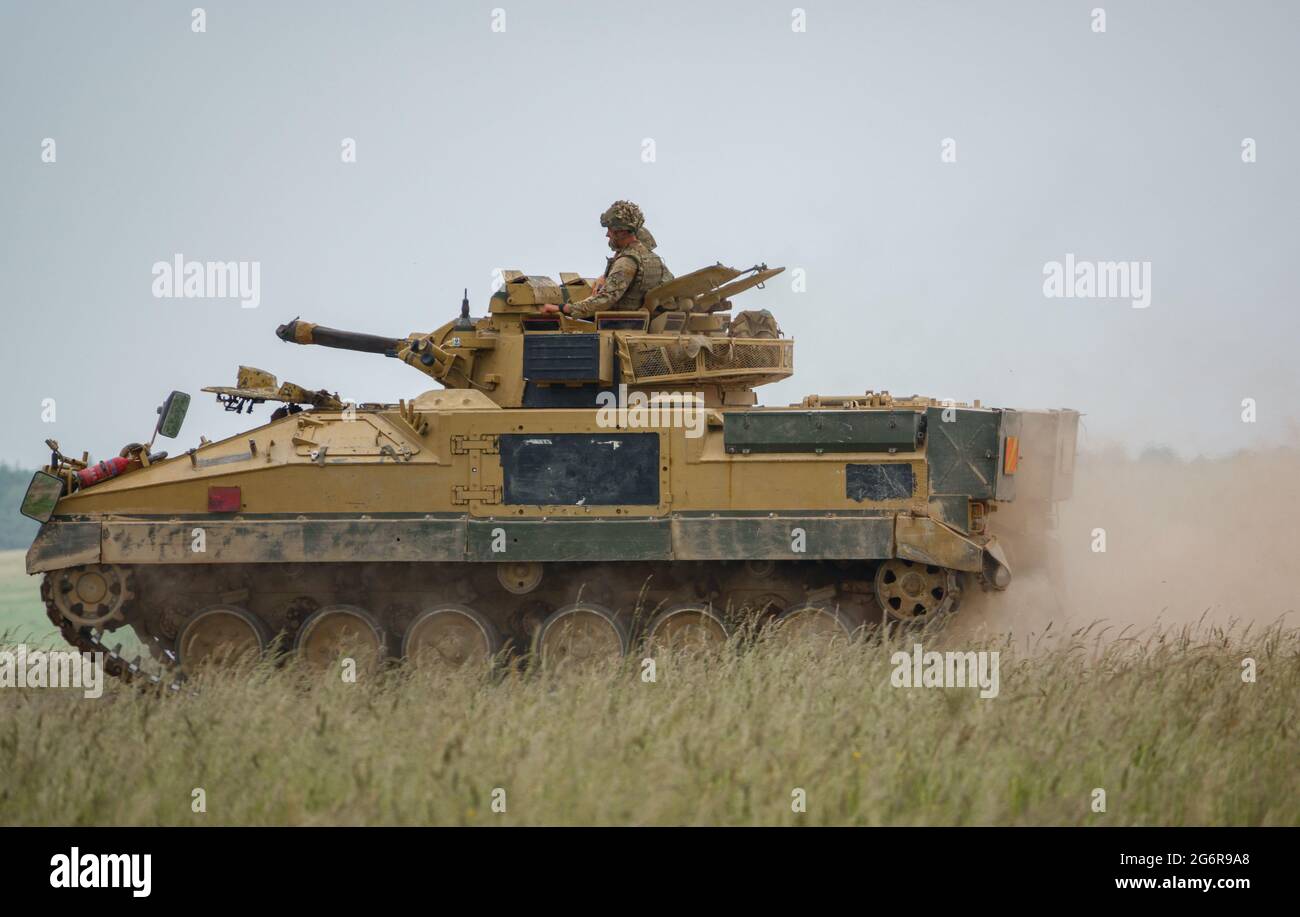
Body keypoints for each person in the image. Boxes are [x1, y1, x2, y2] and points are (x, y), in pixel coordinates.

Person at [543, 200, 672, 319]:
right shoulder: (653, 259)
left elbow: (605, 299)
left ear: (621, 232)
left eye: (610, 230)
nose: (607, 234)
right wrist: (606, 275)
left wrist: (564, 308)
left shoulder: (626, 262)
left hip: (618, 323)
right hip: (636, 322)